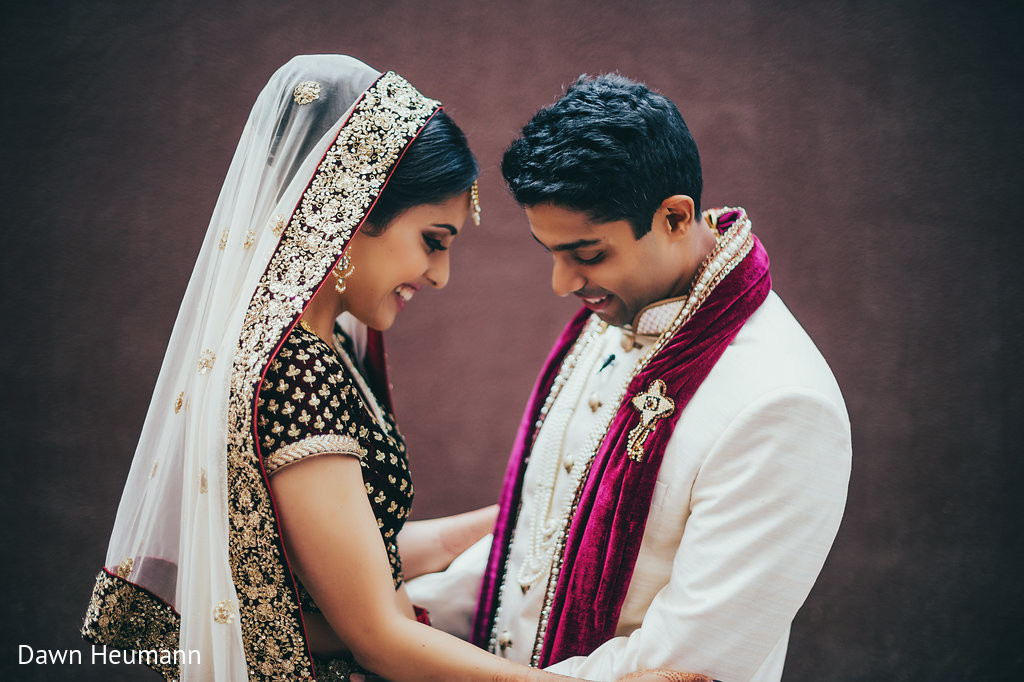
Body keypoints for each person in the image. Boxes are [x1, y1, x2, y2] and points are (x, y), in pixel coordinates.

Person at [81, 56, 707, 682]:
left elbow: (346, 556)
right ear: (355, 214)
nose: (439, 275)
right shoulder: (298, 370)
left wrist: (538, 518)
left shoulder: (323, 349)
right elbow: (378, 633)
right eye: (433, 241)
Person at [406, 74, 853, 681]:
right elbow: (538, 545)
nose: (563, 285)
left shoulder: (783, 404)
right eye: (552, 254)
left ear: (674, 217)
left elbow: (684, 661)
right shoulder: (620, 311)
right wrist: (404, 622)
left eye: (588, 255)